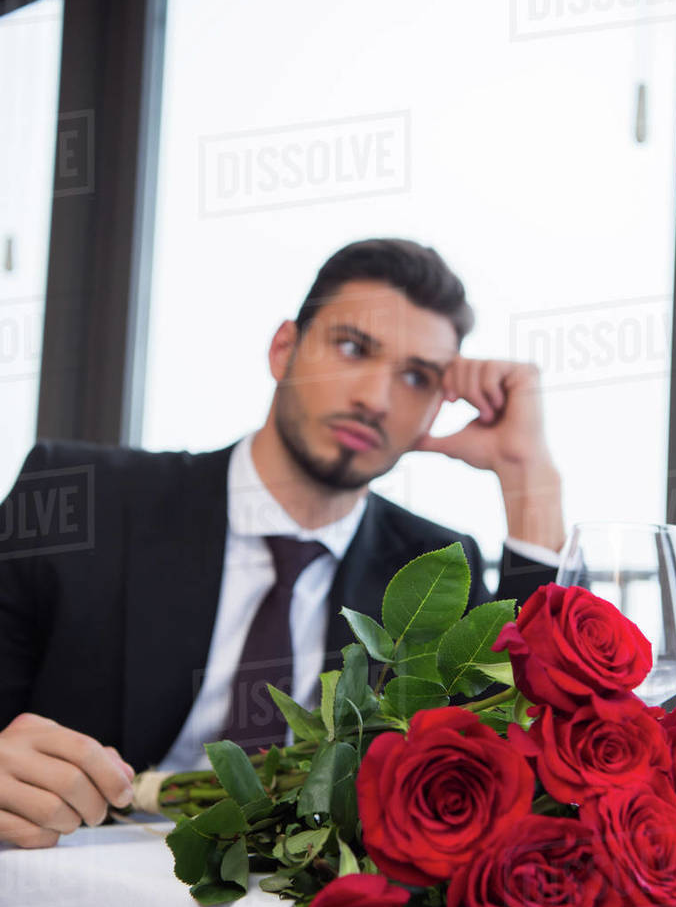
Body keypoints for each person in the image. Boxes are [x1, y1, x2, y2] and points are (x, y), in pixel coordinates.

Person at [0, 238, 564, 849]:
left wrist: (528, 474)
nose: (375, 399)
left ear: (434, 409)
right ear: (283, 349)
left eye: (415, 378)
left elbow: (531, 741)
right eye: (352, 348)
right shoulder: (81, 496)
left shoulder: (433, 569)